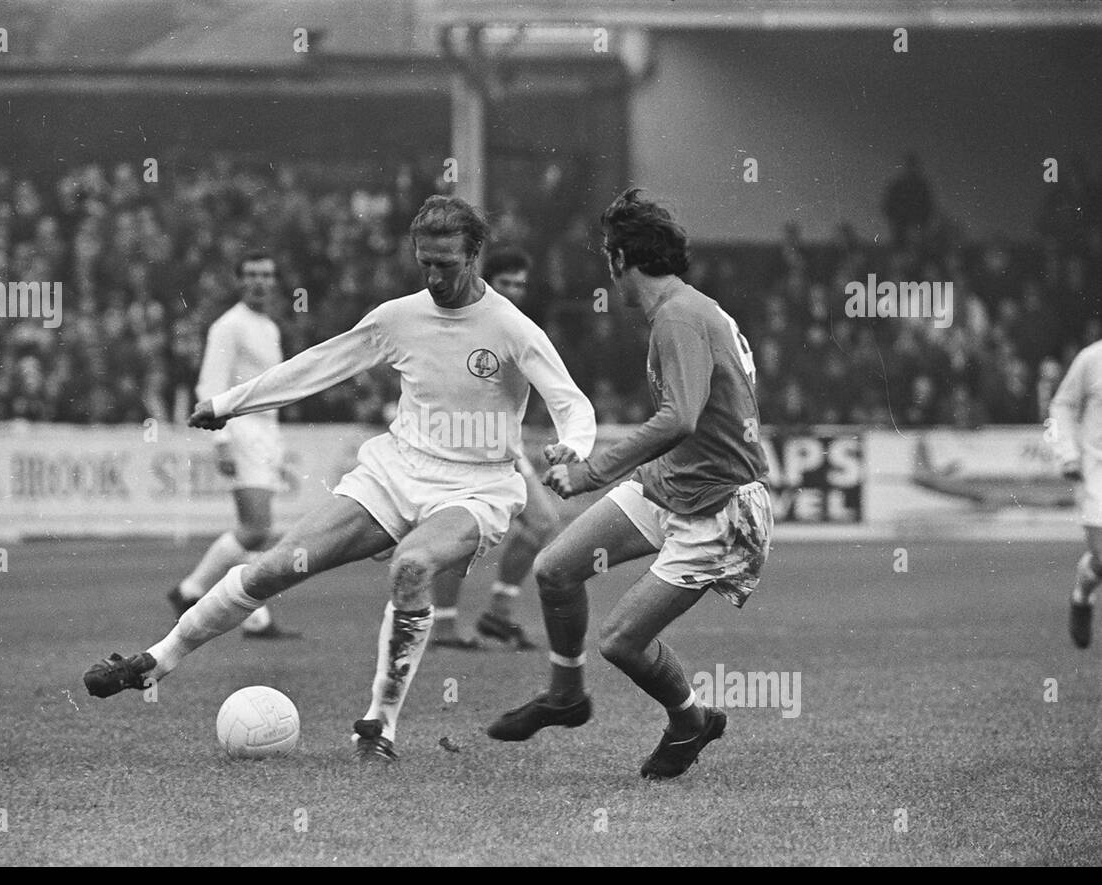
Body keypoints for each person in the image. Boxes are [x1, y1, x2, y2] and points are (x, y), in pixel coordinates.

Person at [83, 196, 596, 763]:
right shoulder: (399, 316)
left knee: (413, 566)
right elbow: (320, 364)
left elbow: (572, 403)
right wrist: (230, 403)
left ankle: (379, 724)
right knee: (274, 567)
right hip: (395, 472)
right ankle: (155, 661)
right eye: (424, 261)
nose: (433, 276)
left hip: (476, 488)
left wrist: (572, 447)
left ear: (475, 255)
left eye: (446, 264)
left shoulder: (511, 327)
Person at [487, 188, 773, 780]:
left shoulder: (677, 316)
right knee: (555, 568)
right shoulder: (691, 309)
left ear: (620, 261)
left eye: (607, 260)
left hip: (720, 507)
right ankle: (566, 695)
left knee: (621, 642)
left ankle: (690, 720)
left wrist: (590, 473)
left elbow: (681, 418)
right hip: (673, 483)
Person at [429, 246, 561, 650]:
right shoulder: (463, 321)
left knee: (543, 523)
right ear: (489, 281)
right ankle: (445, 628)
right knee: (458, 536)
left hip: (505, 446)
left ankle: (498, 616)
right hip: (463, 443)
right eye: (506, 283)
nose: (514, 291)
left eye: (520, 284)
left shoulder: (520, 327)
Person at [166, 252, 297, 638]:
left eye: (267, 274)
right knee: (256, 528)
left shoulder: (269, 327)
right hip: (240, 432)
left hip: (266, 435)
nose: (260, 281)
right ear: (240, 280)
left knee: (255, 530)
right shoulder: (229, 326)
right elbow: (210, 384)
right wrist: (221, 440)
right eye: (252, 274)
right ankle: (193, 591)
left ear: (274, 281)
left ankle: (245, 613)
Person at [1048, 340, 1102, 649]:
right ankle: (1082, 593)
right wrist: (1067, 453)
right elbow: (1062, 404)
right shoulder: (1092, 359)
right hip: (1097, 470)